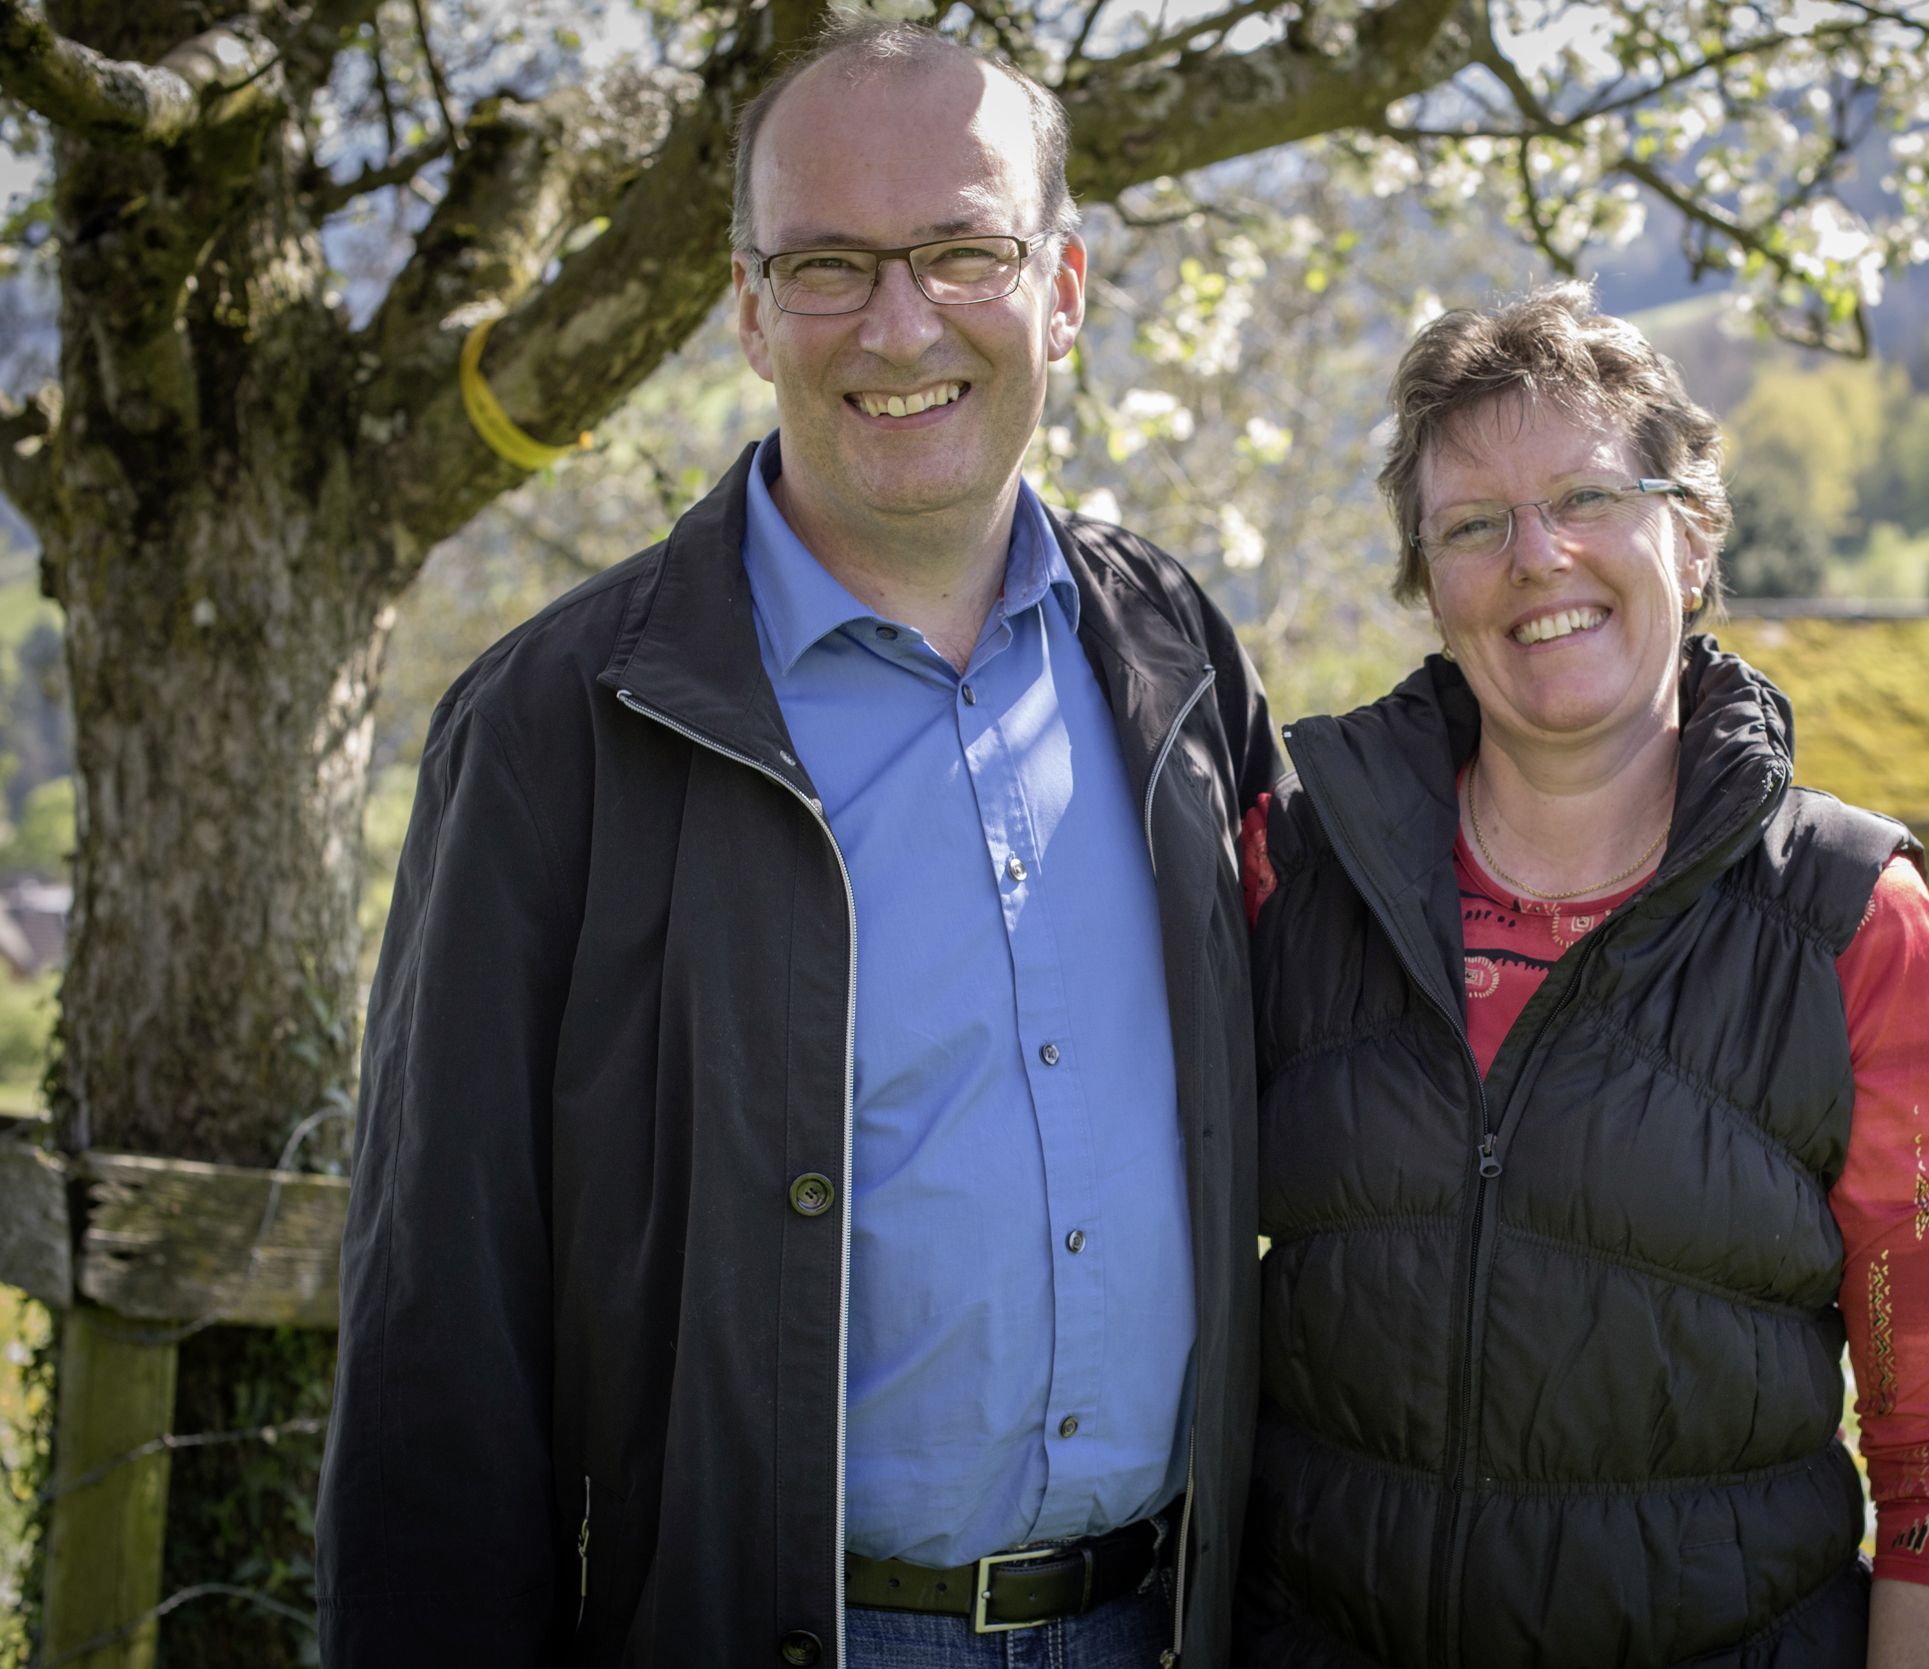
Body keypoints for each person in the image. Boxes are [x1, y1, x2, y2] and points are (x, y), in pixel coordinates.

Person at [316, 18, 1277, 1668]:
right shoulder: (560, 726)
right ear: (752, 309)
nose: (900, 322)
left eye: (965, 251)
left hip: (1169, 1621)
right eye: (829, 263)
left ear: (1062, 287)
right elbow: (438, 1332)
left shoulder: (1178, 657)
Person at [1234, 285, 1929, 1668]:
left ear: (1694, 533)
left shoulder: (1851, 924)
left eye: (1589, 494)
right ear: (1429, 577)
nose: (1539, 557)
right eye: (1474, 523)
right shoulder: (1296, 871)